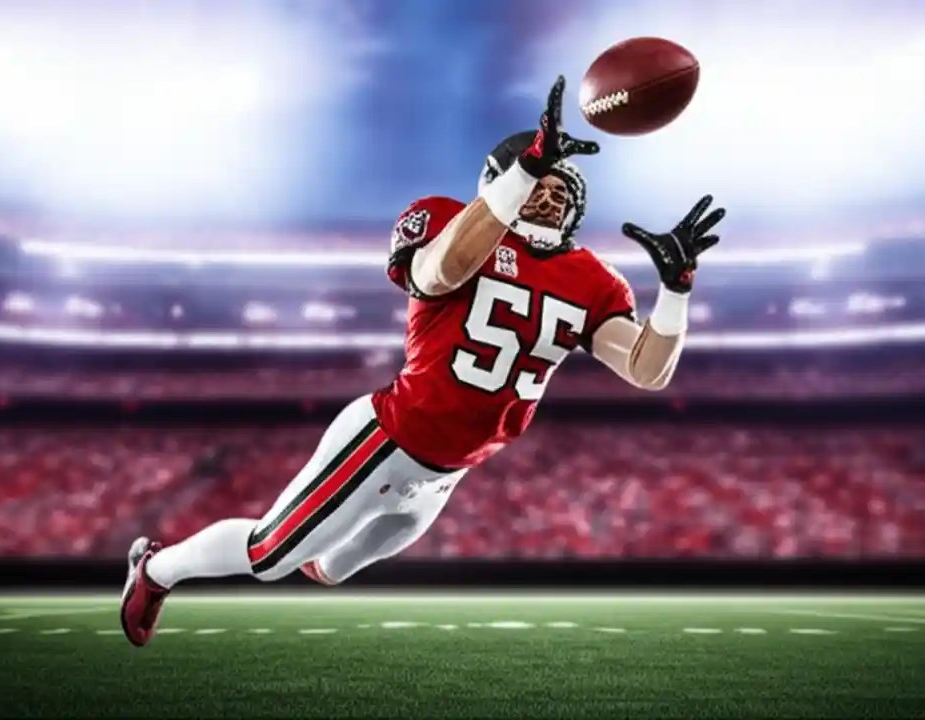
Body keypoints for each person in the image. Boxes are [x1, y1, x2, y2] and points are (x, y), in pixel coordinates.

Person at [121, 76, 725, 646]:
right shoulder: (443, 220)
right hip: (389, 437)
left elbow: (647, 369)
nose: (547, 193)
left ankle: (313, 533)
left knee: (331, 568)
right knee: (272, 556)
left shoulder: (593, 280)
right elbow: (440, 272)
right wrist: (523, 174)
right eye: (536, 180)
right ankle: (157, 569)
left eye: (560, 187)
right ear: (500, 180)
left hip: (448, 473)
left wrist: (674, 293)